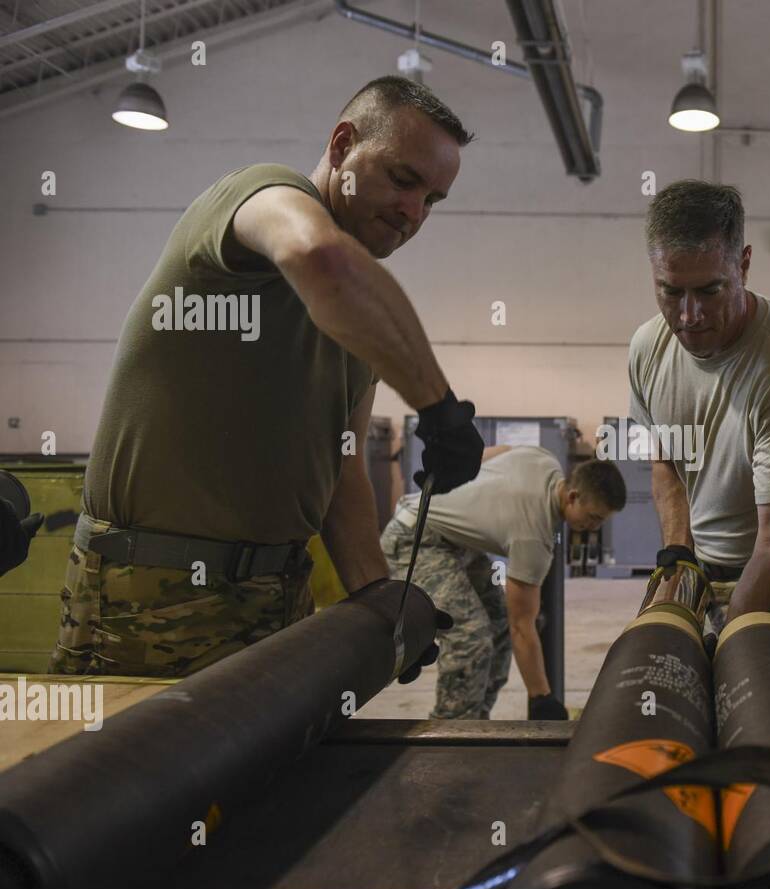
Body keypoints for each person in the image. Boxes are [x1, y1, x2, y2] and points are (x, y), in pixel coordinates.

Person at [51, 76, 484, 678]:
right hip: (151, 596)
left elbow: (342, 472)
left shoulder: (355, 328)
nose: (413, 211)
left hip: (278, 596)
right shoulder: (260, 193)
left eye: (433, 199)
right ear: (341, 148)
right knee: (124, 771)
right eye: (403, 179)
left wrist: (381, 603)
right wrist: (438, 407)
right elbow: (320, 258)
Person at [627, 180, 770, 632]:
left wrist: (729, 640)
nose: (689, 315)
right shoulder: (647, 347)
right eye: (671, 292)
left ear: (744, 264)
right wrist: (679, 555)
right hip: (703, 565)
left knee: (762, 690)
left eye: (710, 291)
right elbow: (668, 463)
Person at [382, 450, 626, 720]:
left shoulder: (544, 460)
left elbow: (489, 453)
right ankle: (452, 734)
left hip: (458, 542)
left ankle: (475, 722)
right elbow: (521, 625)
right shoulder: (533, 537)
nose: (594, 527)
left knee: (496, 624)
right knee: (471, 638)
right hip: (415, 538)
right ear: (572, 496)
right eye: (594, 517)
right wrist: (541, 698)